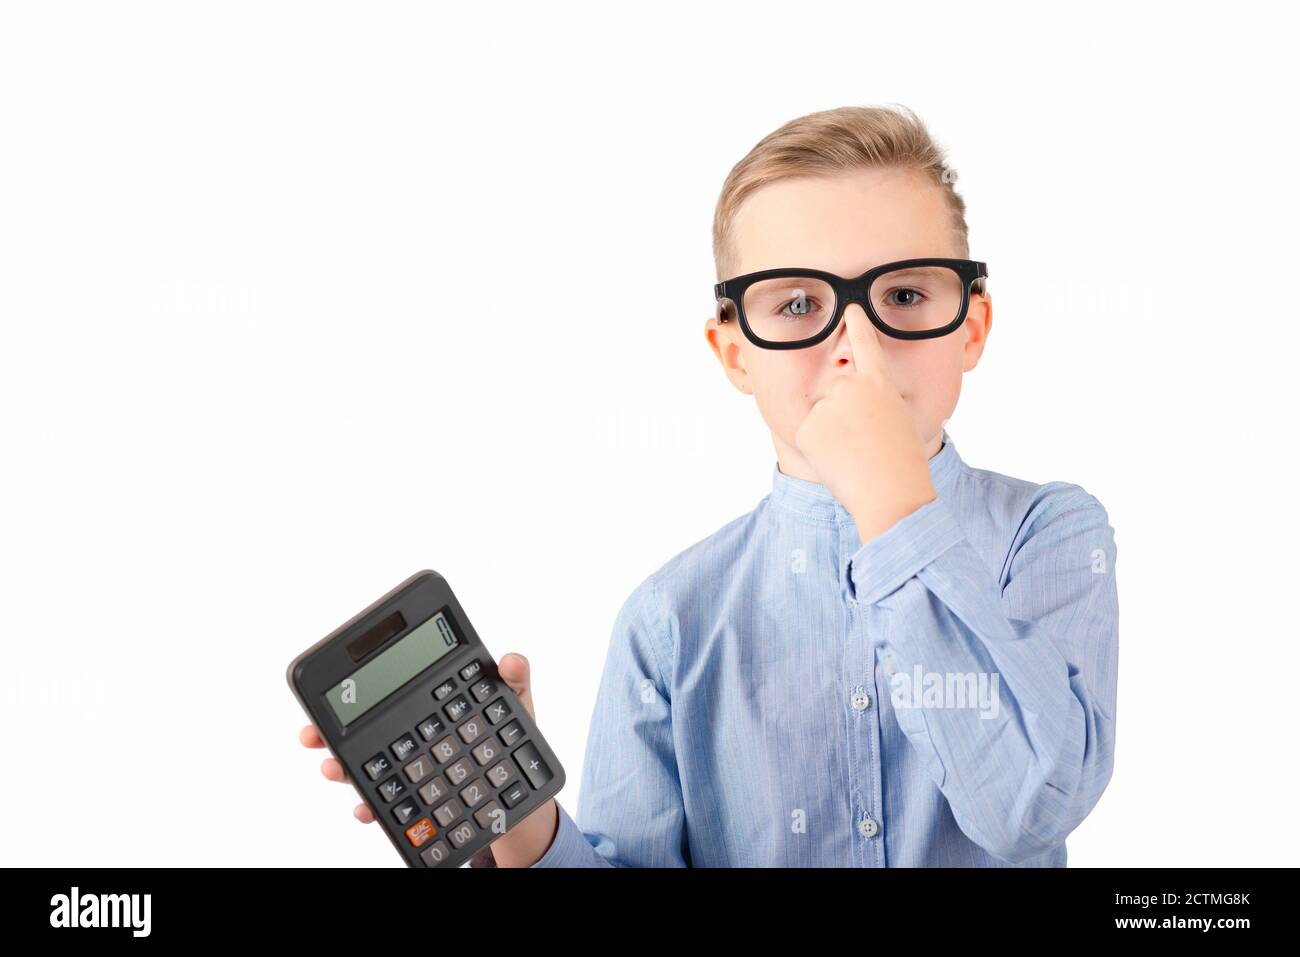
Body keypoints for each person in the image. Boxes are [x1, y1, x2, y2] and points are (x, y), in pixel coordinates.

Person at [301, 104, 1119, 867]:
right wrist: (523, 819)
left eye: (905, 294)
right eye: (799, 303)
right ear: (734, 351)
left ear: (971, 326)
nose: (857, 349)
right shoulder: (670, 618)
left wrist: (892, 504)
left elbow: (1027, 805)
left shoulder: (1049, 534)